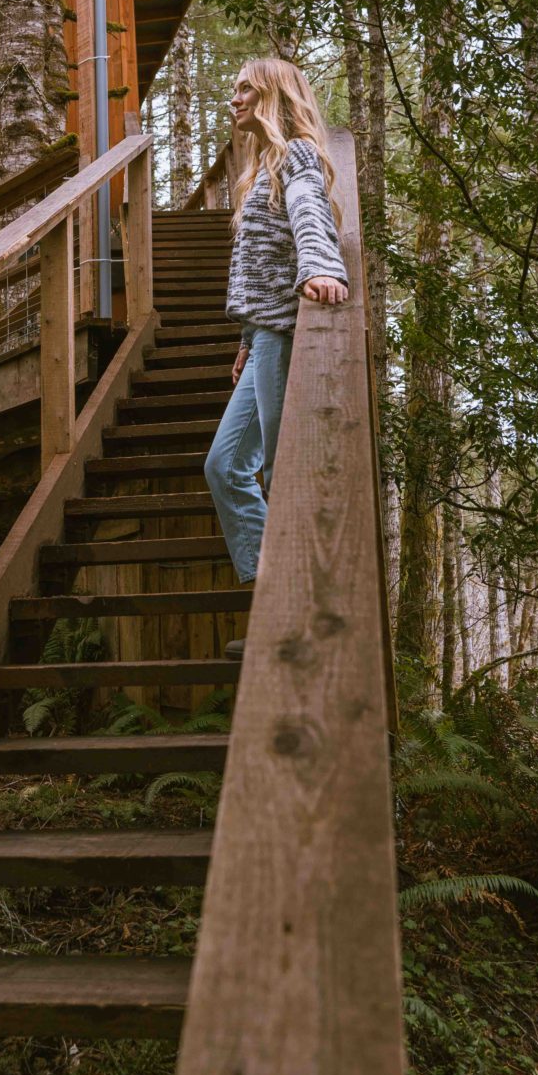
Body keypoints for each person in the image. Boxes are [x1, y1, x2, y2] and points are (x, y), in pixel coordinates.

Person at [204, 57, 349, 658]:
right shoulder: (261, 167)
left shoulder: (297, 156)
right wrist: (244, 340)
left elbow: (310, 215)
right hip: (262, 335)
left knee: (282, 471)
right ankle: (277, 604)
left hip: (286, 333)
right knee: (225, 467)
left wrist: (321, 266)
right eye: (234, 88)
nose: (234, 98)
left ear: (271, 97)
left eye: (245, 89)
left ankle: (298, 619)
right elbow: (260, 267)